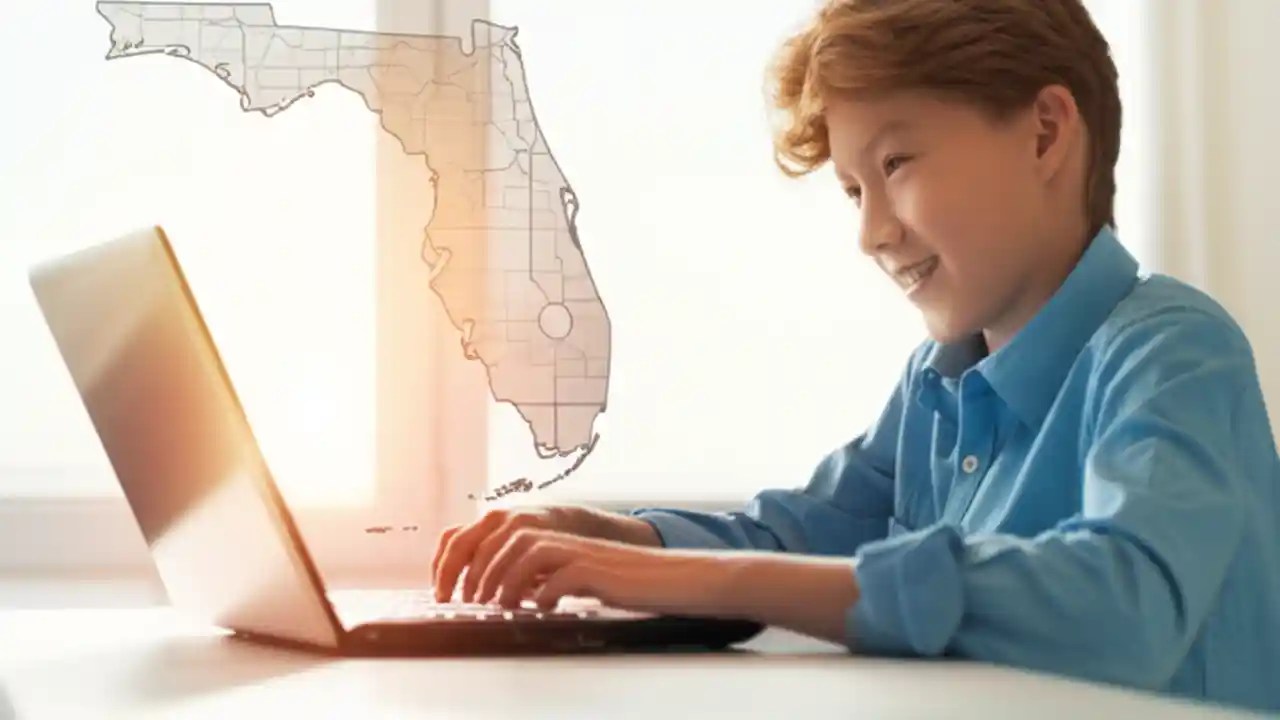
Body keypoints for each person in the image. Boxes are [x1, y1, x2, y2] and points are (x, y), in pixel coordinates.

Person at [431, 0, 1279, 711]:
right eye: (852, 190)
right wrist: (608, 539)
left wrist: (700, 584)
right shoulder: (939, 382)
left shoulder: (1171, 350)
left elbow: (1121, 607)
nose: (873, 232)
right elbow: (797, 534)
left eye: (897, 162)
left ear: (1046, 133)